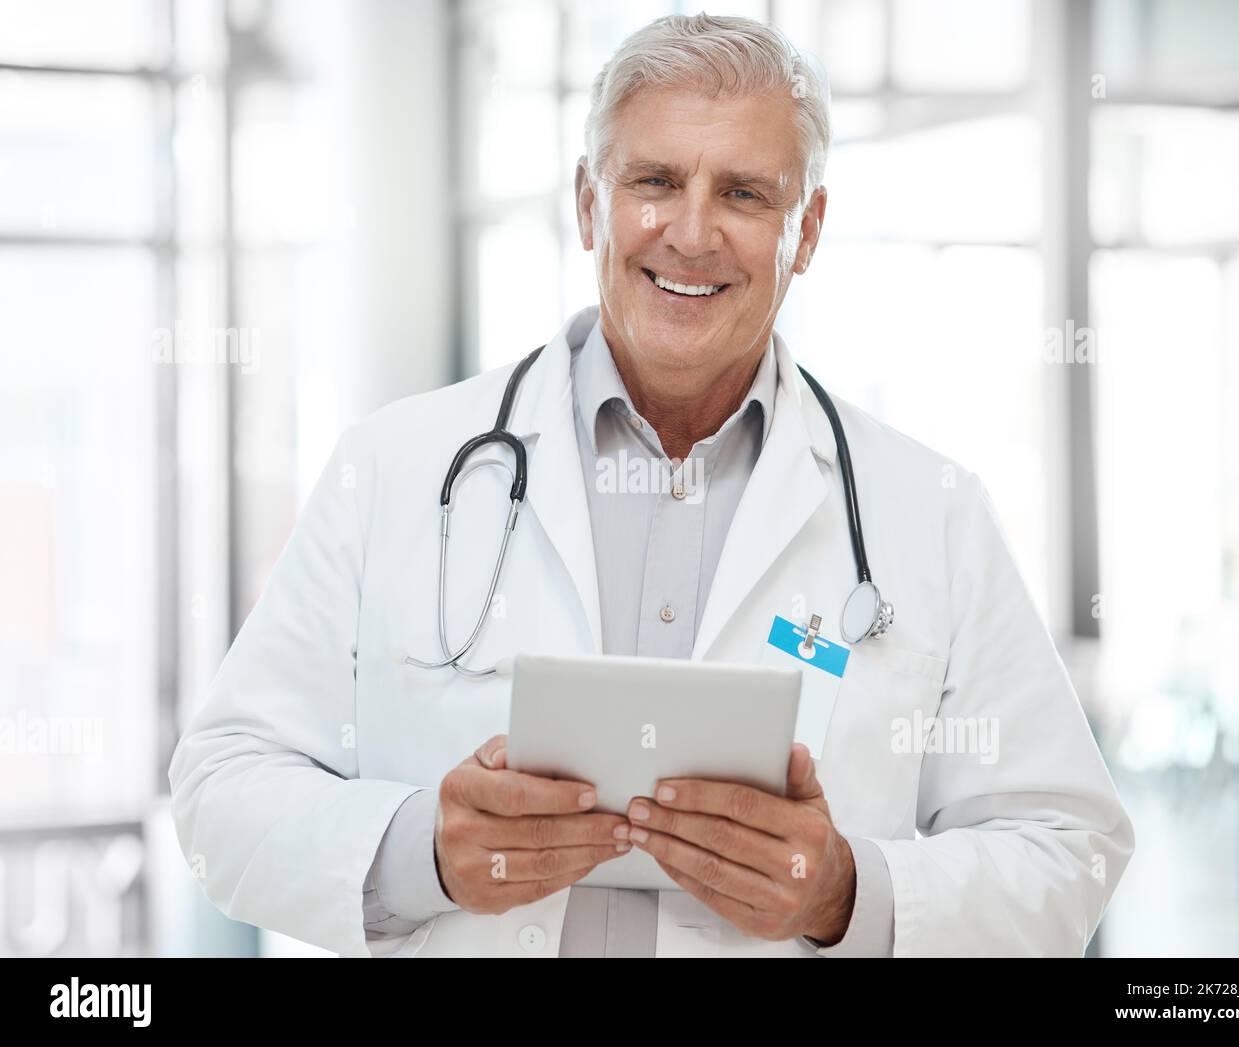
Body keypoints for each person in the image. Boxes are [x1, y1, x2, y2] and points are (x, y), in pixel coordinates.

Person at [169, 12, 1133, 958]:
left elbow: (1068, 853)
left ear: (807, 232)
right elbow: (221, 788)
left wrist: (847, 890)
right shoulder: (392, 468)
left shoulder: (932, 514)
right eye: (656, 181)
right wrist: (420, 852)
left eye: (747, 193)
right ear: (589, 201)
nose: (693, 231)